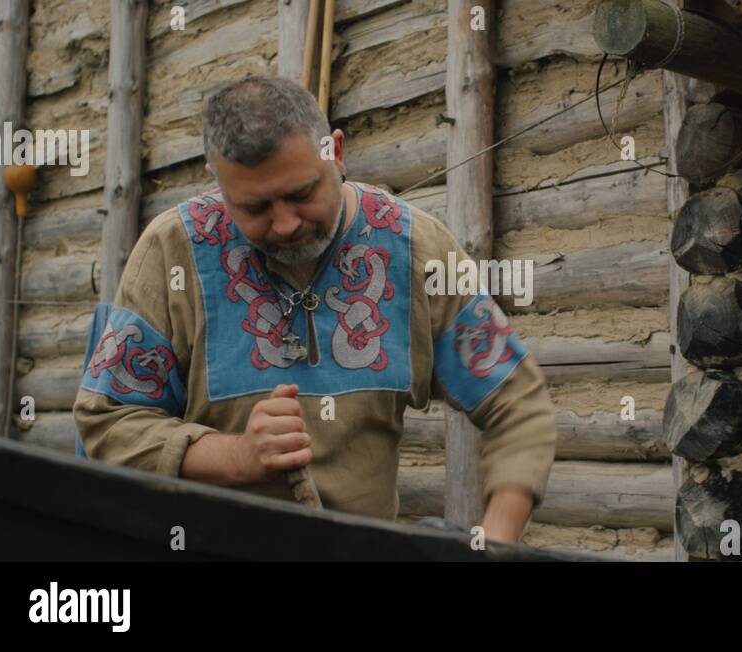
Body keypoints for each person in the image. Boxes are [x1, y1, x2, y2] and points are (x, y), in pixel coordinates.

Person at [73, 75, 558, 544]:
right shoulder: (172, 250)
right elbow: (108, 422)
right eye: (255, 207)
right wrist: (234, 455)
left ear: (337, 152)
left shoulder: (415, 248)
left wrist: (495, 542)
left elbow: (518, 405)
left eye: (302, 194)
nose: (284, 224)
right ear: (217, 184)